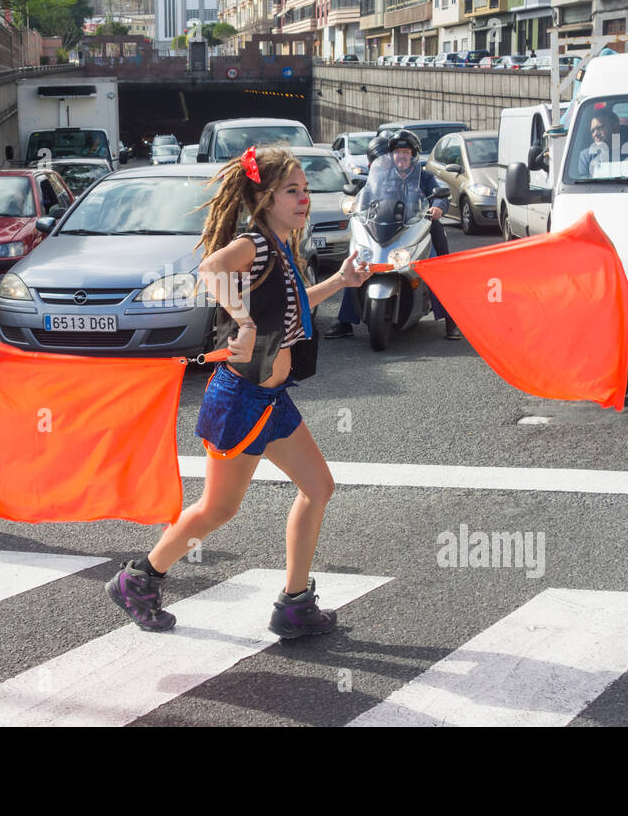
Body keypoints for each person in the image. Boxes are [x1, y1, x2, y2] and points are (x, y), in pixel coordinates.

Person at [105, 145, 372, 638]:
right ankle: (138, 578)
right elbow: (209, 271)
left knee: (318, 488)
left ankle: (294, 604)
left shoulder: (283, 247)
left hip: (271, 400)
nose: (304, 200)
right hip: (242, 398)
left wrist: (340, 280)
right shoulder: (258, 243)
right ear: (265, 196)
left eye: (306, 191)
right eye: (292, 191)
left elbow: (293, 308)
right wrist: (244, 319)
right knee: (218, 509)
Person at [325, 130, 461, 340]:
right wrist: (356, 204)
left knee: (438, 267)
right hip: (385, 229)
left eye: (406, 152)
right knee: (357, 264)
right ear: (391, 155)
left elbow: (440, 193)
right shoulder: (381, 176)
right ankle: (345, 321)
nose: (402, 156)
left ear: (413, 155)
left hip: (418, 228)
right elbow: (367, 193)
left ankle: (451, 321)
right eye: (398, 152)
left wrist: (438, 207)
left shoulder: (424, 176)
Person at [577, 108, 628, 175]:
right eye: (593, 131)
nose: (595, 134)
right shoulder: (587, 157)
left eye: (600, 128)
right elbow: (583, 183)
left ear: (615, 128)